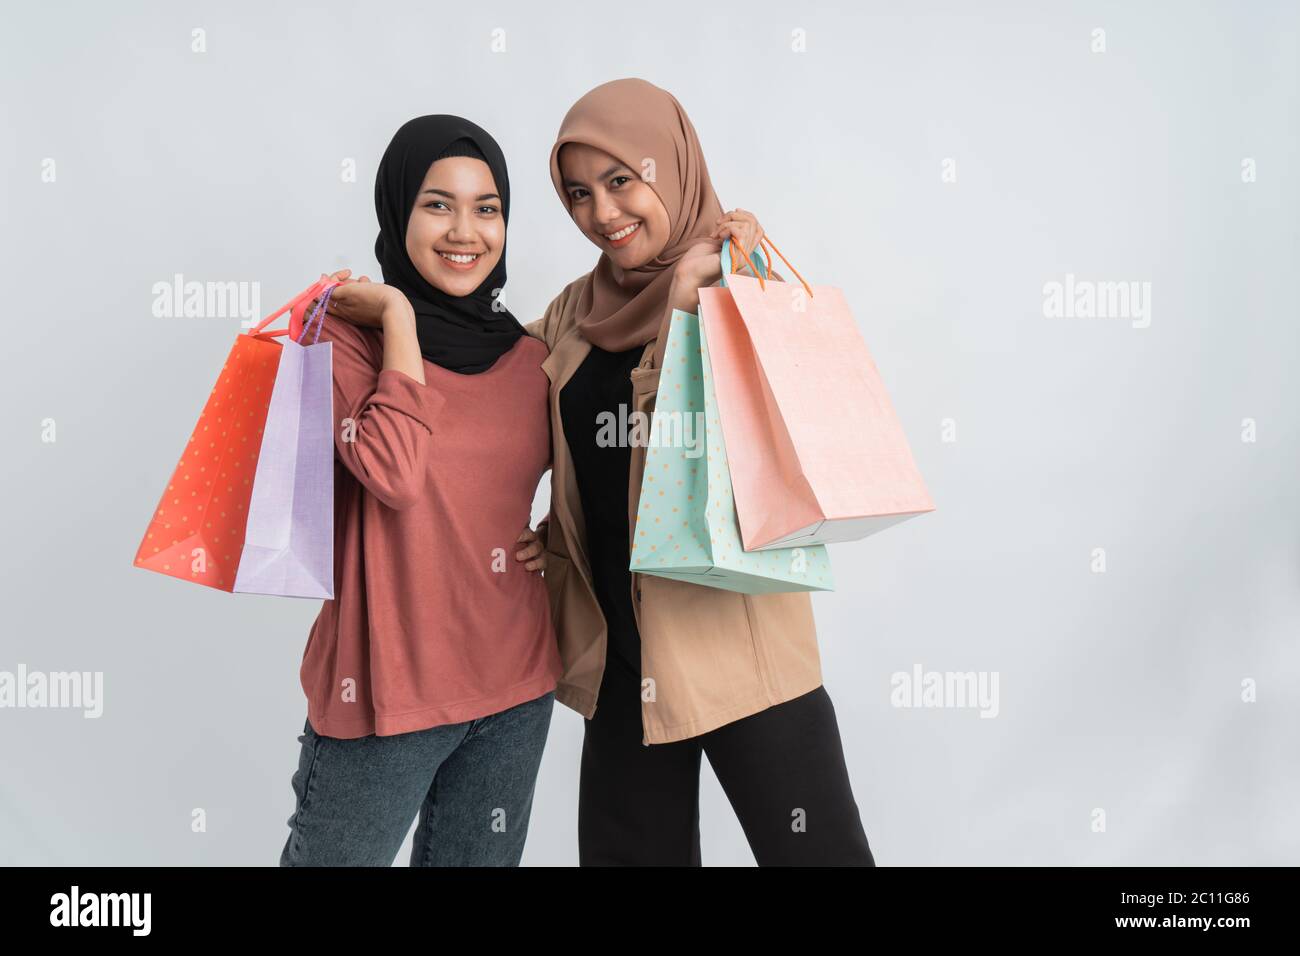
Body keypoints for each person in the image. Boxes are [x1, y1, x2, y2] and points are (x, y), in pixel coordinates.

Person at [526, 78, 876, 866]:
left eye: (622, 181)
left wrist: (689, 307)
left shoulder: (741, 287)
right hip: (620, 661)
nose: (603, 214)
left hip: (739, 653)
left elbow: (705, 450)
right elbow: (494, 403)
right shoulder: (572, 314)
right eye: (579, 193)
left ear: (673, 166)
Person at [279, 115, 560, 867]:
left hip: (516, 684)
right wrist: (398, 319)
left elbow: (612, 458)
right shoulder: (342, 339)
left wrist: (562, 531)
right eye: (438, 204)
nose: (465, 230)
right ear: (398, 210)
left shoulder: (532, 358)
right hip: (382, 692)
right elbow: (394, 475)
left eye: (487, 207)